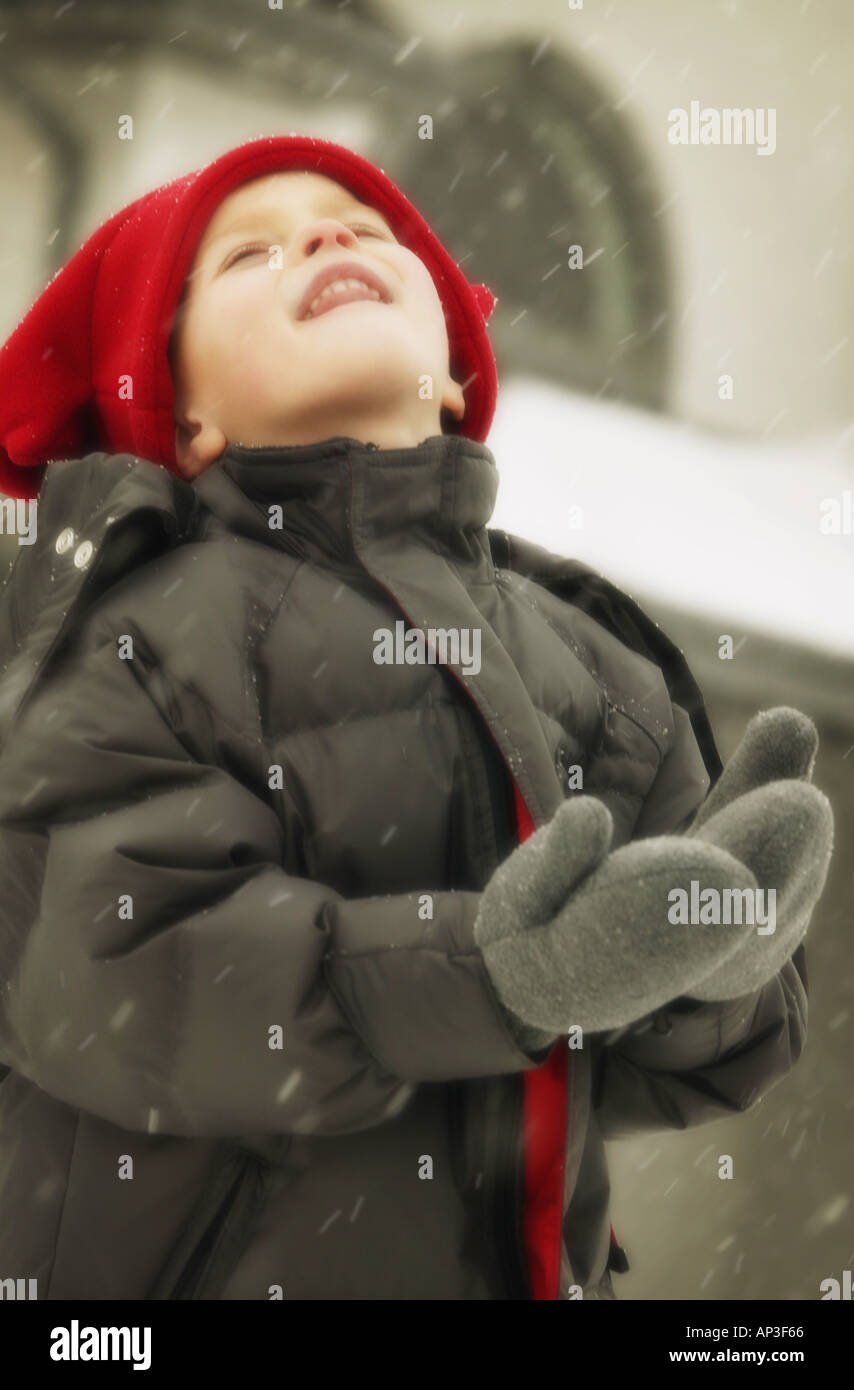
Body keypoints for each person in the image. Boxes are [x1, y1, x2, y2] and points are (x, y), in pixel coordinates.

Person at [0, 135, 833, 1301]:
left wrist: (712, 964)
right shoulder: (145, 628)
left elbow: (645, 1067)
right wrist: (491, 978)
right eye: (250, 253)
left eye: (364, 228)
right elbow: (115, 966)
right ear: (181, 418)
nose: (328, 238)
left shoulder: (590, 660)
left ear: (451, 373)